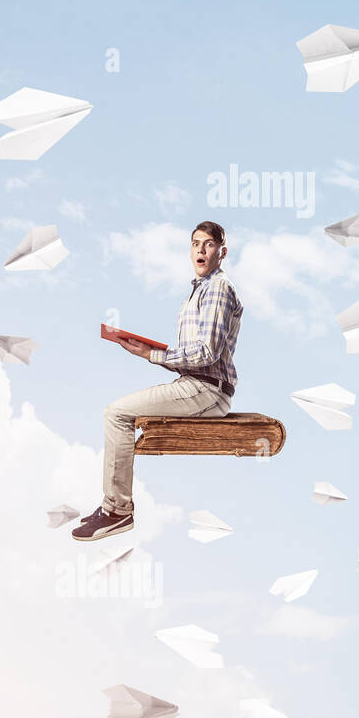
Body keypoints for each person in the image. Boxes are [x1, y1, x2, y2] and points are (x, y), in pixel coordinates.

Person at [71, 221, 243, 541]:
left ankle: (118, 511)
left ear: (223, 251)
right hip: (194, 384)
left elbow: (206, 352)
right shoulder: (198, 290)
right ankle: (114, 506)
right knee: (119, 412)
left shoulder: (219, 288)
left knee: (117, 414)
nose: (201, 250)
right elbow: (194, 355)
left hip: (206, 390)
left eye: (208, 244)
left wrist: (153, 356)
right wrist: (147, 351)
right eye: (195, 244)